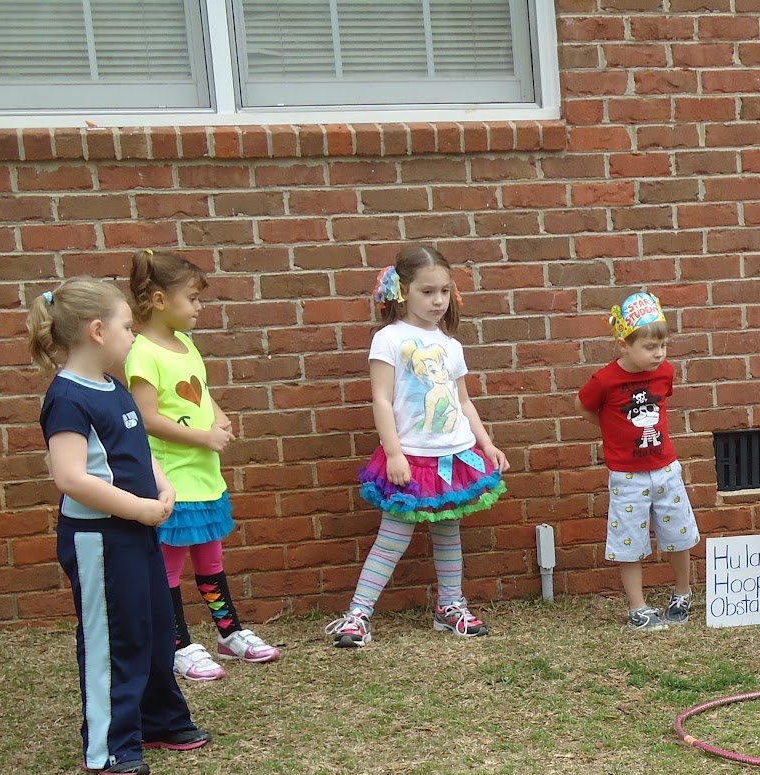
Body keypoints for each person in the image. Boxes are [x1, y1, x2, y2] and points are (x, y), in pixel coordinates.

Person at [30, 278, 213, 775]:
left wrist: (161, 485)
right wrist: (136, 507)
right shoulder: (68, 398)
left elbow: (140, 452)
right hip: (100, 540)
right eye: (127, 327)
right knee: (114, 636)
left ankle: (160, 720)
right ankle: (110, 745)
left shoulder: (113, 387)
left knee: (152, 626)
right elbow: (69, 476)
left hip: (138, 530)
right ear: (96, 331)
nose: (133, 336)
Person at [324, 246, 509, 648]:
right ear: (403, 290)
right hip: (411, 457)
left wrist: (487, 444)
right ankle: (358, 613)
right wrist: (393, 453)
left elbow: (463, 401)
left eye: (444, 291)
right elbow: (381, 400)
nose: (438, 300)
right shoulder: (388, 340)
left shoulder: (451, 345)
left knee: (448, 532)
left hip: (455, 456)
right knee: (393, 535)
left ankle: (450, 607)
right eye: (427, 292)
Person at [125, 250, 281, 680]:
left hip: (204, 478)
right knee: (169, 568)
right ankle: (176, 643)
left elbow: (199, 390)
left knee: (211, 560)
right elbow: (148, 419)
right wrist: (204, 437)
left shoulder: (187, 344)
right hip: (173, 481)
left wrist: (218, 414)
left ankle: (228, 633)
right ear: (159, 300)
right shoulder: (142, 354)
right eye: (192, 299)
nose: (198, 308)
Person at [578, 291, 700, 630]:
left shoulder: (664, 372)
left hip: (665, 468)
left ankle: (682, 591)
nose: (658, 353)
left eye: (663, 346)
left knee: (679, 532)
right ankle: (638, 607)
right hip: (627, 475)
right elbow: (584, 406)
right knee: (629, 541)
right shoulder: (605, 379)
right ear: (623, 345)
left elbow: (661, 405)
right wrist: (612, 429)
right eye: (649, 347)